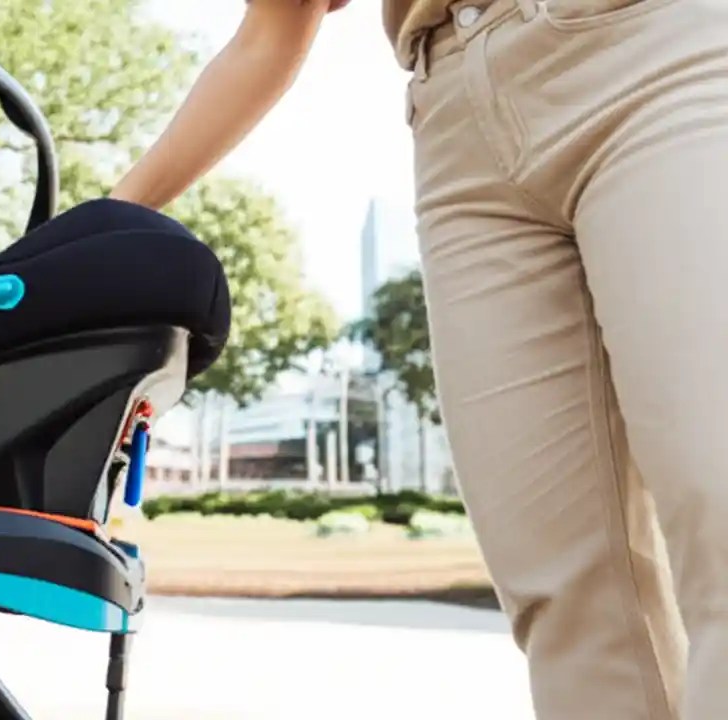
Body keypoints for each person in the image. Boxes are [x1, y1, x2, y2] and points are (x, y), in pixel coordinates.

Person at [110, 1, 728, 718]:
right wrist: (100, 232)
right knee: (571, 603)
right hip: (458, 123)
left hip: (659, 50)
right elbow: (271, 34)